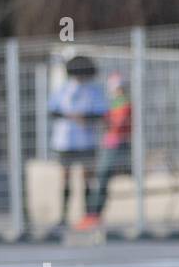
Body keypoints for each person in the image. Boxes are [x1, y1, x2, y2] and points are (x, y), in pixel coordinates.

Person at [48, 56, 107, 228]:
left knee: (87, 179)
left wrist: (85, 118)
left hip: (86, 141)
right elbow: (52, 110)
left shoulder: (94, 90)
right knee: (65, 179)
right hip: (65, 141)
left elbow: (101, 112)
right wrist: (70, 116)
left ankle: (87, 215)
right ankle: (63, 216)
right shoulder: (63, 90)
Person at [76, 72, 131, 231]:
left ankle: (93, 215)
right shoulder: (114, 103)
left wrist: (105, 119)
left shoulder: (123, 104)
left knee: (101, 179)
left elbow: (117, 124)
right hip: (110, 145)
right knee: (100, 180)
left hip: (117, 146)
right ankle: (93, 215)